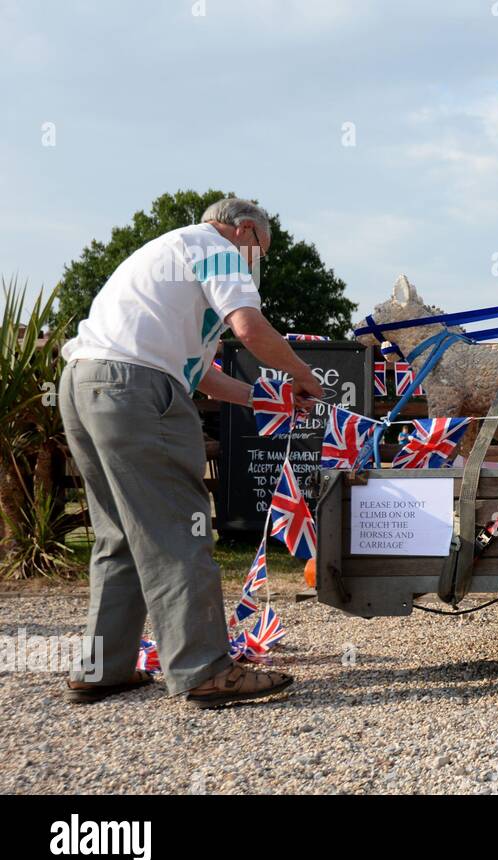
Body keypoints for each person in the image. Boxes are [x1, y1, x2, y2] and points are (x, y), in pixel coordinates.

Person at [58, 197, 325, 708]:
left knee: (119, 534)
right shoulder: (216, 247)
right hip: (136, 388)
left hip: (85, 382)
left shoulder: (169, 257)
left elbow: (198, 373)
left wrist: (265, 396)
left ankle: (102, 668)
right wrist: (303, 374)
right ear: (244, 229)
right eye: (260, 251)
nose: (256, 263)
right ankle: (205, 670)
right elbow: (250, 327)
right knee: (182, 527)